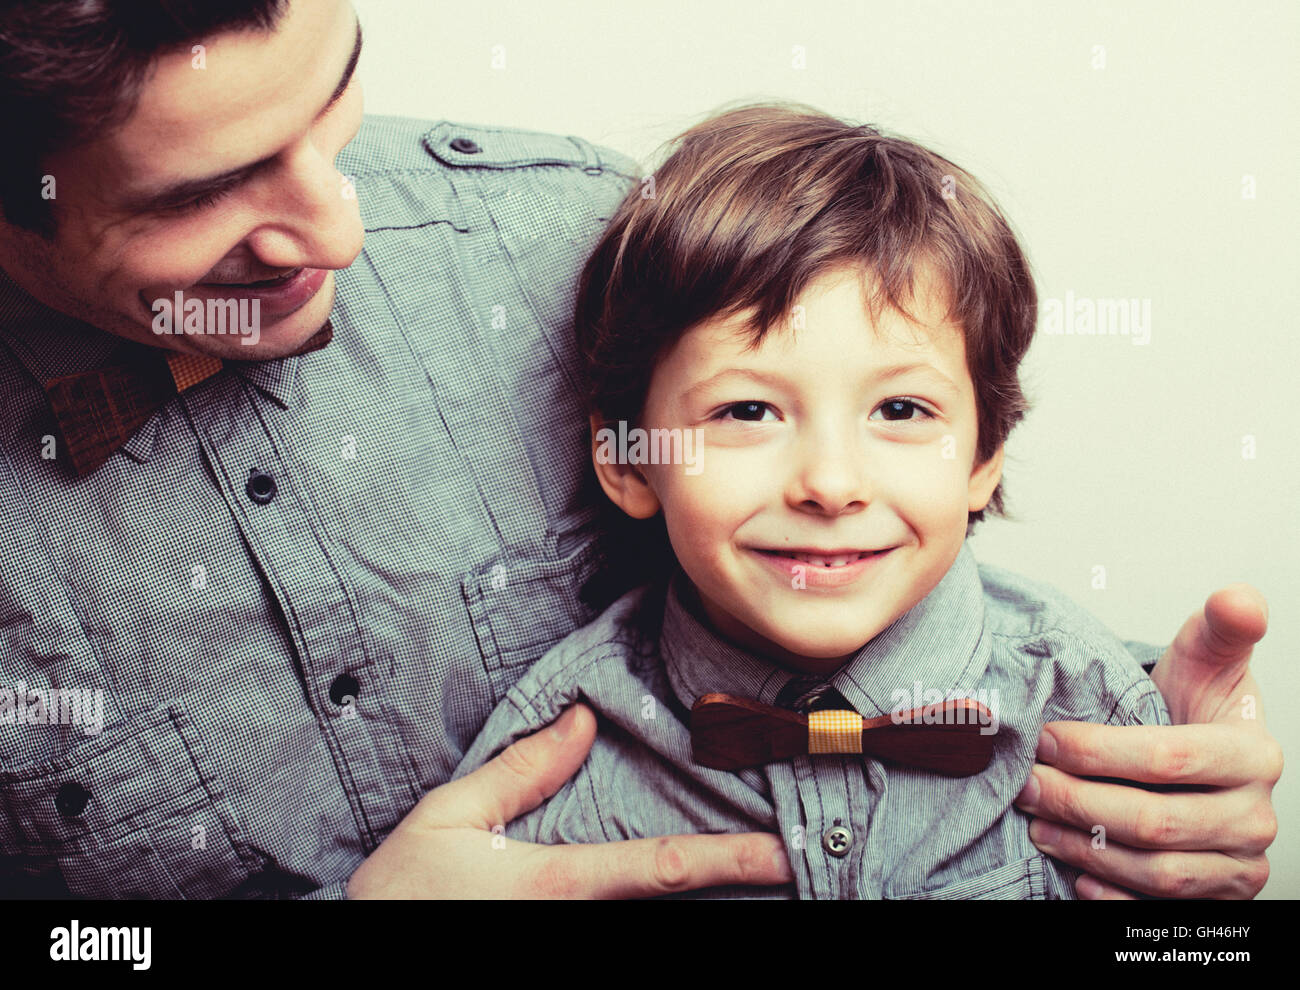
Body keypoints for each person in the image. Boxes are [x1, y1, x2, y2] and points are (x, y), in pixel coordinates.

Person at [0, 0, 1278, 900]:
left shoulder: (577, 245)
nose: (342, 231)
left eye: (333, 103)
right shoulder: (561, 721)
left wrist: (1171, 792)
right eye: (200, 194)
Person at [452, 105, 1186, 898]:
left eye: (900, 412)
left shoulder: (1089, 705)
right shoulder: (551, 749)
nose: (832, 485)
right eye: (746, 412)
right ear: (629, 460)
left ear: (983, 455)